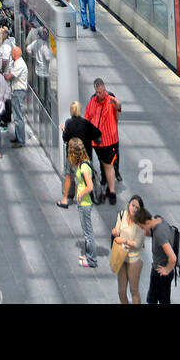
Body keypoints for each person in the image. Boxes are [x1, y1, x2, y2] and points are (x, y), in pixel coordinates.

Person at [85, 78, 122, 204]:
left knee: (109, 164)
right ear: (95, 91)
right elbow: (88, 117)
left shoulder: (110, 100)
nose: (101, 94)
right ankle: (105, 183)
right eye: (98, 92)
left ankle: (112, 192)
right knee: (103, 162)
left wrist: (116, 103)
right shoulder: (92, 101)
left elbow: (118, 105)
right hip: (96, 142)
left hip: (108, 140)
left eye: (102, 91)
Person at [58, 102, 102, 207]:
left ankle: (64, 200)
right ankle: (80, 198)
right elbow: (98, 134)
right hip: (85, 155)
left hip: (72, 155)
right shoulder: (86, 123)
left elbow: (65, 138)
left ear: (71, 111)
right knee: (83, 177)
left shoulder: (68, 123)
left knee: (69, 176)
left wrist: (64, 130)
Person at [111, 198, 150, 305]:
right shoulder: (122, 214)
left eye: (137, 207)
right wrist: (115, 231)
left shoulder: (140, 223)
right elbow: (117, 228)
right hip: (121, 257)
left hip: (134, 260)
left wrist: (124, 240)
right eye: (133, 205)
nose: (134, 208)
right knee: (121, 292)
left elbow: (138, 244)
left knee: (134, 290)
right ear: (129, 204)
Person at [68, 137, 98, 268]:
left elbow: (90, 186)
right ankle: (88, 254)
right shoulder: (82, 162)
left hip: (85, 203)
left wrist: (79, 195)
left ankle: (92, 260)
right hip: (83, 202)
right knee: (86, 231)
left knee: (88, 233)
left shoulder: (84, 167)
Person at [143, 212, 178, 304]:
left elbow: (173, 258)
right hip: (156, 270)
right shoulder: (158, 219)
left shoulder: (159, 234)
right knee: (151, 299)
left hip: (162, 274)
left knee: (163, 301)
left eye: (142, 228)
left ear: (147, 223)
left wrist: (166, 270)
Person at [5, 44, 30, 148]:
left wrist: (4, 75)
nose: (10, 54)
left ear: (15, 54)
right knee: (16, 115)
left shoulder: (19, 64)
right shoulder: (17, 62)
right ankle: (18, 136)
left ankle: (21, 140)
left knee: (18, 116)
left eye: (11, 53)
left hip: (18, 91)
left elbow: (10, 76)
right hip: (17, 91)